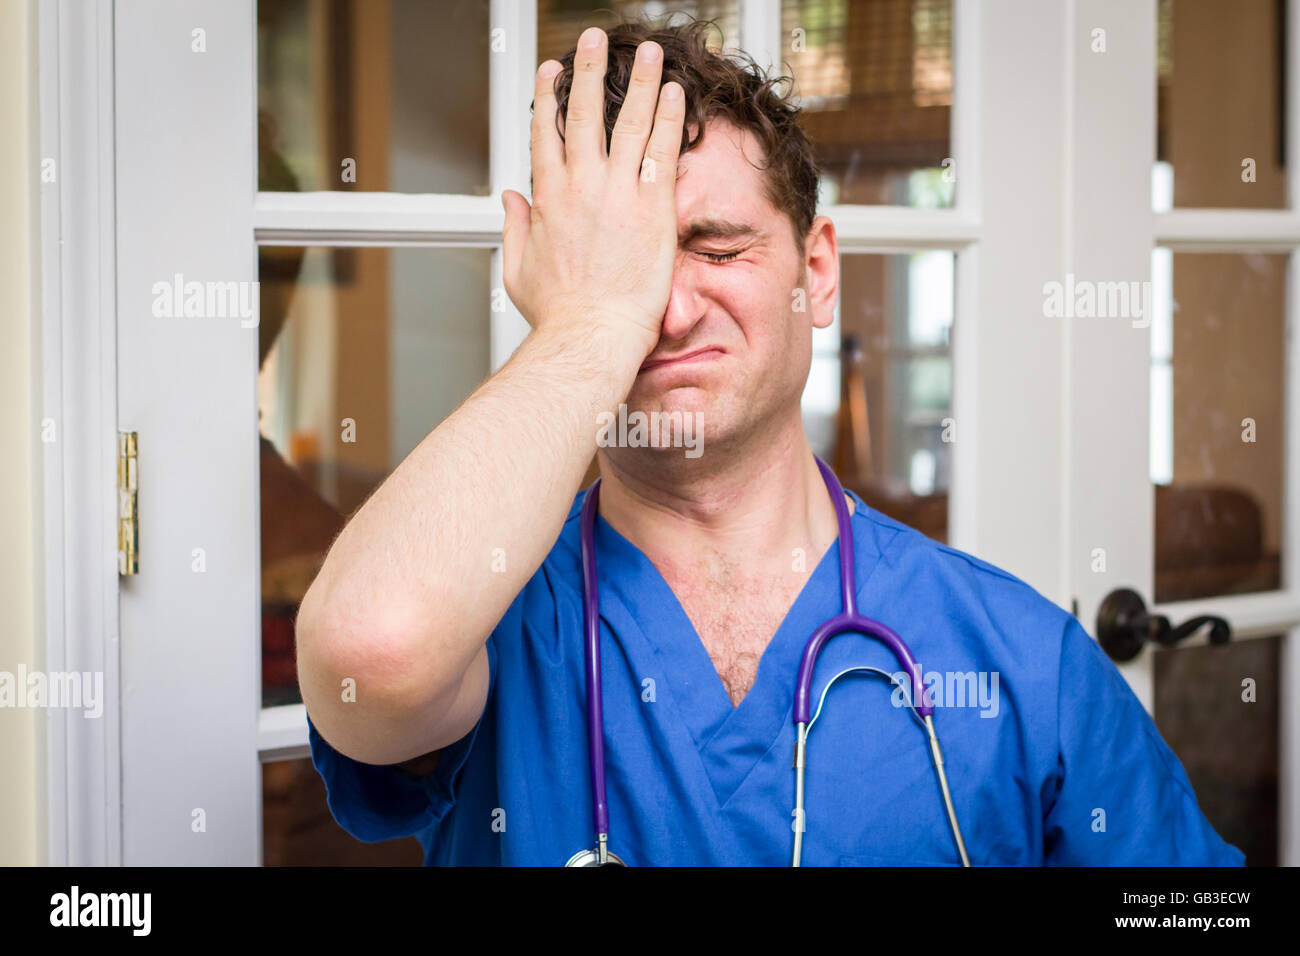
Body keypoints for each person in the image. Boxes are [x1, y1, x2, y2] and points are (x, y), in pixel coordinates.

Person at [294, 19, 1245, 866]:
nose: (664, 309)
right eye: (627, 266)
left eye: (715, 247)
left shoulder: (1019, 659)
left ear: (816, 272)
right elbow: (367, 653)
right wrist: (586, 326)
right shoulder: (497, 633)